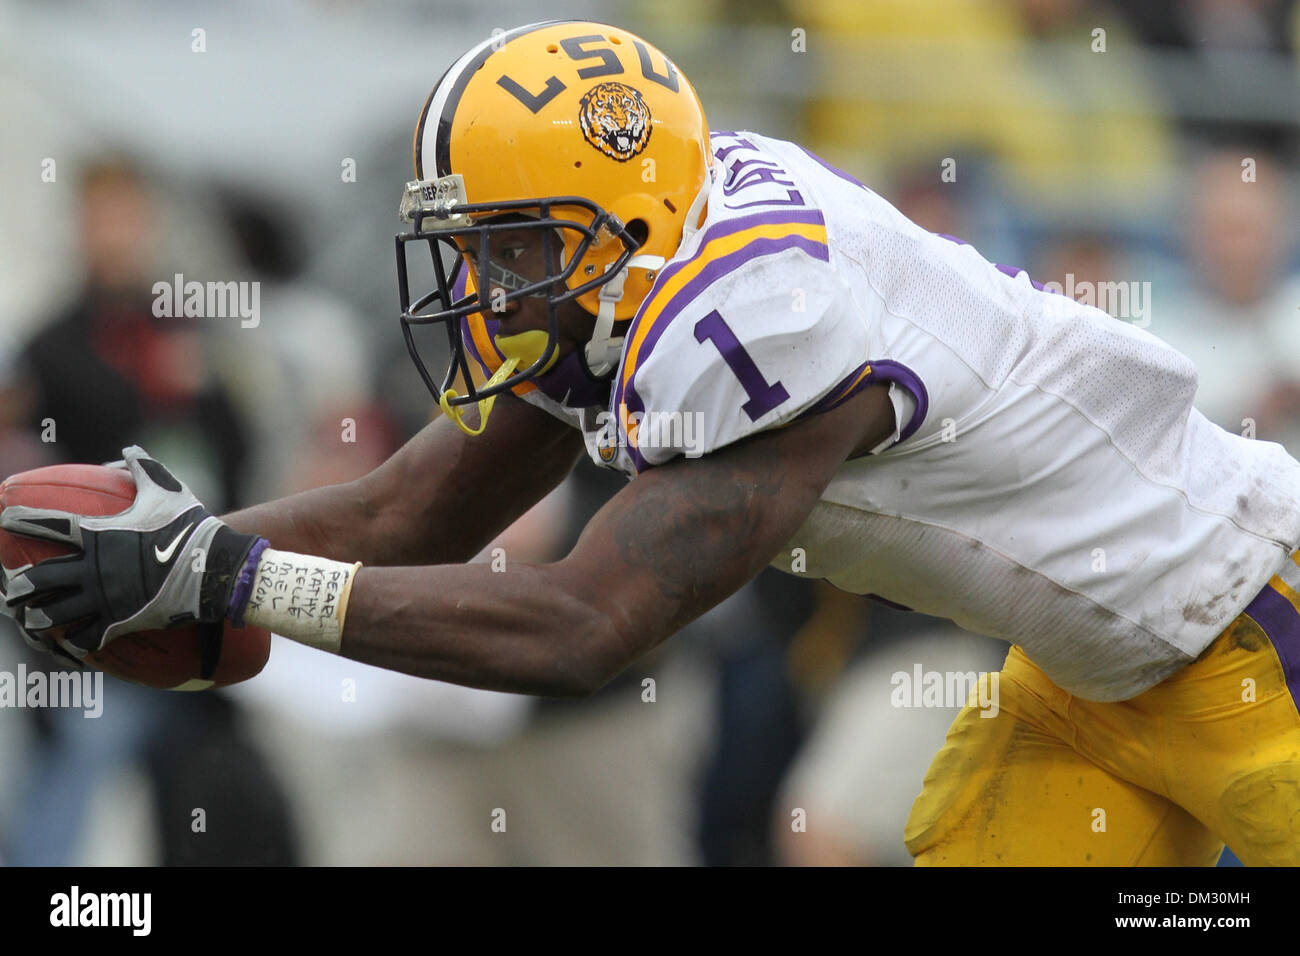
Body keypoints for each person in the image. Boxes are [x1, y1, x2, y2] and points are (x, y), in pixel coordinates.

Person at [4, 20, 1300, 865]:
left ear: (622, 219)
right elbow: (421, 513)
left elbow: (581, 626)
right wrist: (169, 553)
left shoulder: (765, 313)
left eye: (509, 246)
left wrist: (235, 583)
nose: (484, 288)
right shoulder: (642, 251)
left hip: (1253, 620)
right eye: (471, 249)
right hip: (1093, 680)